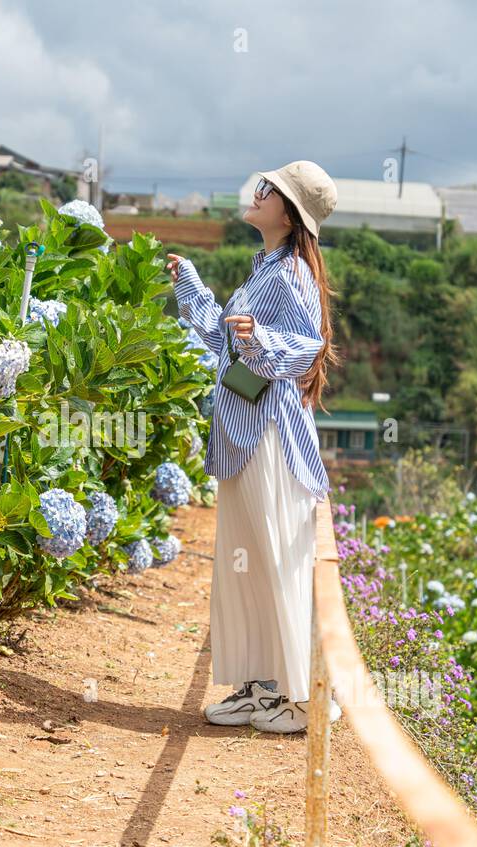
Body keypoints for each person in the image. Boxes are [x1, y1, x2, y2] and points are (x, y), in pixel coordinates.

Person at [165, 161, 342, 733]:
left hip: (268, 432)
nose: (256, 193)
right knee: (247, 561)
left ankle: (300, 697)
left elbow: (305, 346)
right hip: (245, 431)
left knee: (273, 559)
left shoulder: (290, 274)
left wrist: (260, 340)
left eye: (268, 190)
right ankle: (258, 688)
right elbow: (223, 339)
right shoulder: (265, 267)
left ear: (288, 213)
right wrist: (191, 285)